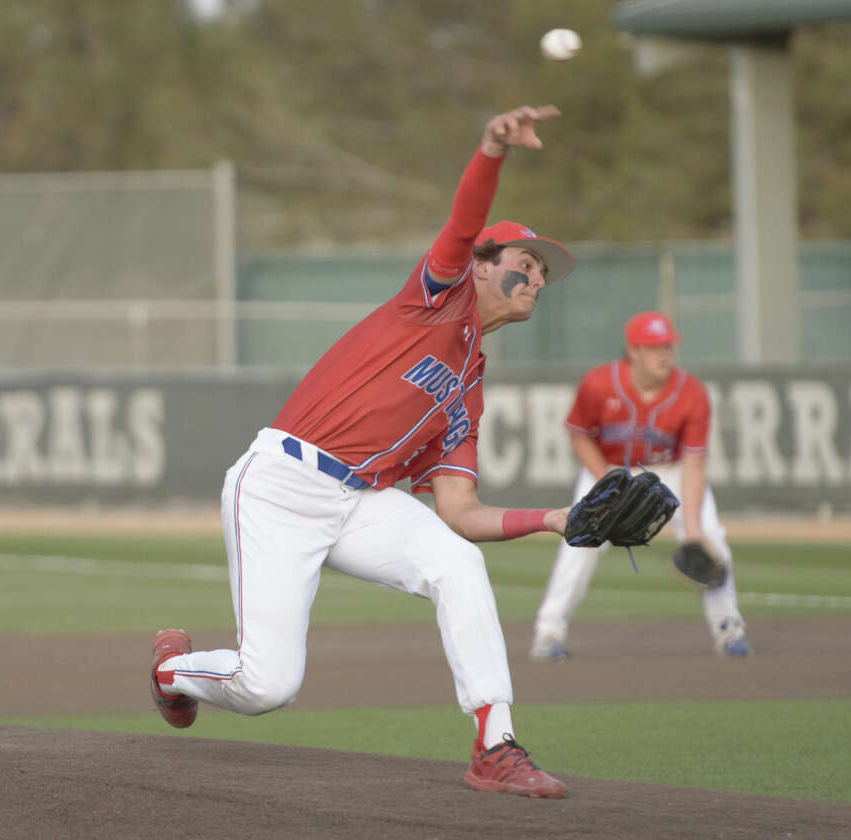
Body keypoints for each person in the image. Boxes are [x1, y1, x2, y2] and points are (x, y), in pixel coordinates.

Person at [150, 105, 580, 799]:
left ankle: (494, 744)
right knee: (268, 686)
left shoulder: (470, 379)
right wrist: (492, 150)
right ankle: (173, 671)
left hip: (359, 501)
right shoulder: (434, 299)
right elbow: (463, 221)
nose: (533, 279)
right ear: (480, 266)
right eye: (522, 264)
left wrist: (555, 517)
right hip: (282, 484)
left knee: (456, 561)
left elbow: (460, 511)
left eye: (541, 274)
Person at [529, 310, 752, 662]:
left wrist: (692, 533)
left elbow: (694, 465)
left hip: (671, 470)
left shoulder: (691, 393)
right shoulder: (599, 383)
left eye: (667, 346)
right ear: (633, 350)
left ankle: (729, 628)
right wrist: (607, 482)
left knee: (711, 537)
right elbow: (579, 434)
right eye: (654, 347)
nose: (664, 354)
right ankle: (549, 632)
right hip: (609, 468)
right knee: (578, 542)